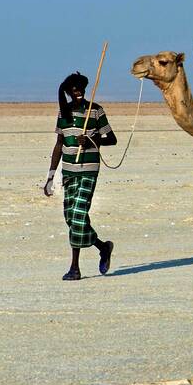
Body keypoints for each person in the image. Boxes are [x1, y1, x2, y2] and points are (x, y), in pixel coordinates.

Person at [44, 72, 117, 280]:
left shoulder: (95, 111)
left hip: (89, 171)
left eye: (81, 90)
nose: (79, 93)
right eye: (74, 90)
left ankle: (74, 268)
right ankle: (103, 247)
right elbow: (59, 145)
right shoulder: (63, 113)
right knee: (71, 218)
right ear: (68, 92)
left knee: (77, 214)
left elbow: (112, 139)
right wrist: (50, 176)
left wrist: (93, 140)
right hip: (68, 172)